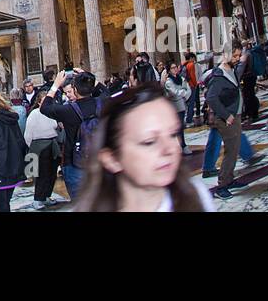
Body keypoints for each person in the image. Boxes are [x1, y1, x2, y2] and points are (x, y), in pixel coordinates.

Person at [71, 82, 214, 211]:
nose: (170, 149)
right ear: (112, 159)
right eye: (149, 141)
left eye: (173, 134)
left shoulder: (196, 195)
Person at [39, 67, 106, 200]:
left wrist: (55, 85)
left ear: (75, 89)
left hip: (74, 162)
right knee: (100, 202)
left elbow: (44, 107)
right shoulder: (102, 102)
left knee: (81, 204)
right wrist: (88, 78)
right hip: (99, 160)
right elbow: (107, 91)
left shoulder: (68, 110)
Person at [204, 50, 244, 200]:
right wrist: (226, 115)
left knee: (234, 149)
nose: (237, 58)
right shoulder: (218, 75)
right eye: (235, 56)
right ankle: (222, 186)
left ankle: (229, 179)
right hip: (227, 118)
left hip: (235, 115)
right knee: (231, 150)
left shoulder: (231, 70)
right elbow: (211, 97)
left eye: (239, 55)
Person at [23, 92, 61, 209]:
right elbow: (27, 134)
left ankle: (47, 196)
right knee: (41, 174)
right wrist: (33, 147)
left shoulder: (53, 113)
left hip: (53, 144)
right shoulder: (34, 114)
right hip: (39, 146)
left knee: (52, 173)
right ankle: (38, 199)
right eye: (44, 101)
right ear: (39, 102)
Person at [163, 61, 192, 154]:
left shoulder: (181, 78)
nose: (175, 69)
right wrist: (183, 93)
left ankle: (181, 145)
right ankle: (182, 145)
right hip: (175, 106)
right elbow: (174, 93)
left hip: (182, 105)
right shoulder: (169, 81)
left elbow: (188, 89)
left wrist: (185, 94)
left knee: (181, 126)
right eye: (172, 68)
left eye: (176, 67)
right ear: (169, 70)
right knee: (178, 127)